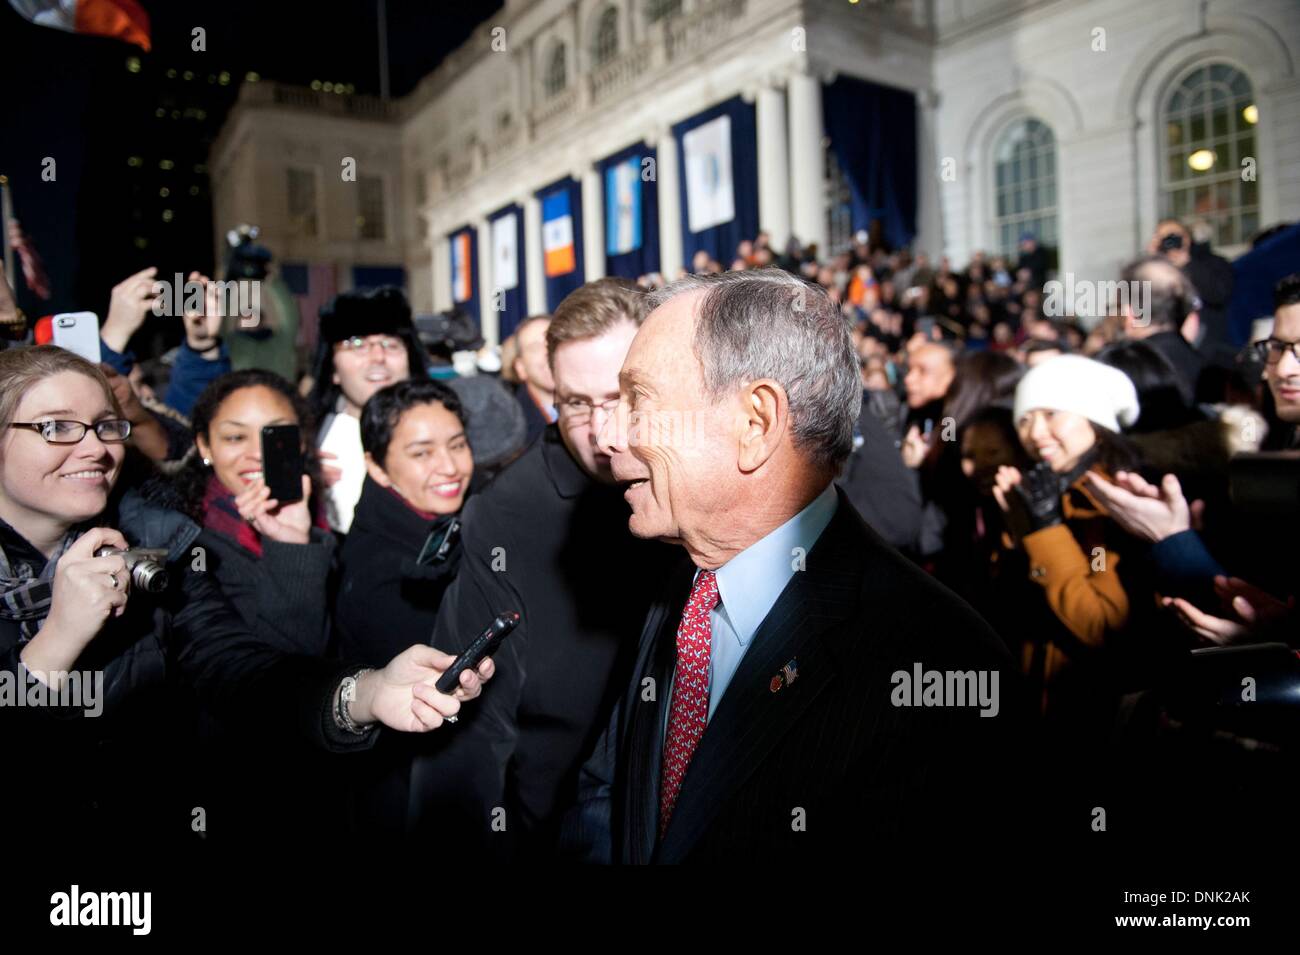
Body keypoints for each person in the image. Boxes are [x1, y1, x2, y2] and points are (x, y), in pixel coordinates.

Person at [564, 269, 1025, 865]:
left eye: (637, 401)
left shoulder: (936, 664)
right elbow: (612, 793)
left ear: (755, 423)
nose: (607, 436)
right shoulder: (682, 583)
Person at [0, 346, 492, 853]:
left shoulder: (159, 545)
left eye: (106, 426)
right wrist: (52, 647)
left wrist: (366, 694)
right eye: (56, 427)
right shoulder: (192, 537)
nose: (94, 449)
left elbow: (241, 670)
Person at [429, 278, 678, 857]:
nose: (599, 429)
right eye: (576, 403)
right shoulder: (505, 514)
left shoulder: (700, 476)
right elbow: (473, 729)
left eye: (619, 396)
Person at [991, 355, 1158, 733]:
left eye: (1051, 413)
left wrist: (1044, 531)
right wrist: (1018, 532)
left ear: (1095, 422)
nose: (1034, 433)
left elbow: (1102, 625)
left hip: (1094, 724)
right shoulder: (1048, 491)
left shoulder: (1116, 504)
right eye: (1025, 419)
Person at [172, 370, 334, 655]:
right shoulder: (187, 547)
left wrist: (294, 541)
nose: (258, 453)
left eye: (276, 435)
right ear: (205, 446)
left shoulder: (324, 519)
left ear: (303, 442)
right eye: (235, 437)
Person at [309, 287, 427, 534]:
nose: (378, 356)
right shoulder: (307, 438)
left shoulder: (442, 427)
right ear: (332, 369)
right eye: (358, 344)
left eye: (391, 344)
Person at [511, 313, 557, 446]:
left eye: (553, 341)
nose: (547, 352)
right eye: (535, 348)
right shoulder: (511, 425)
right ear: (520, 368)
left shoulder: (602, 407)